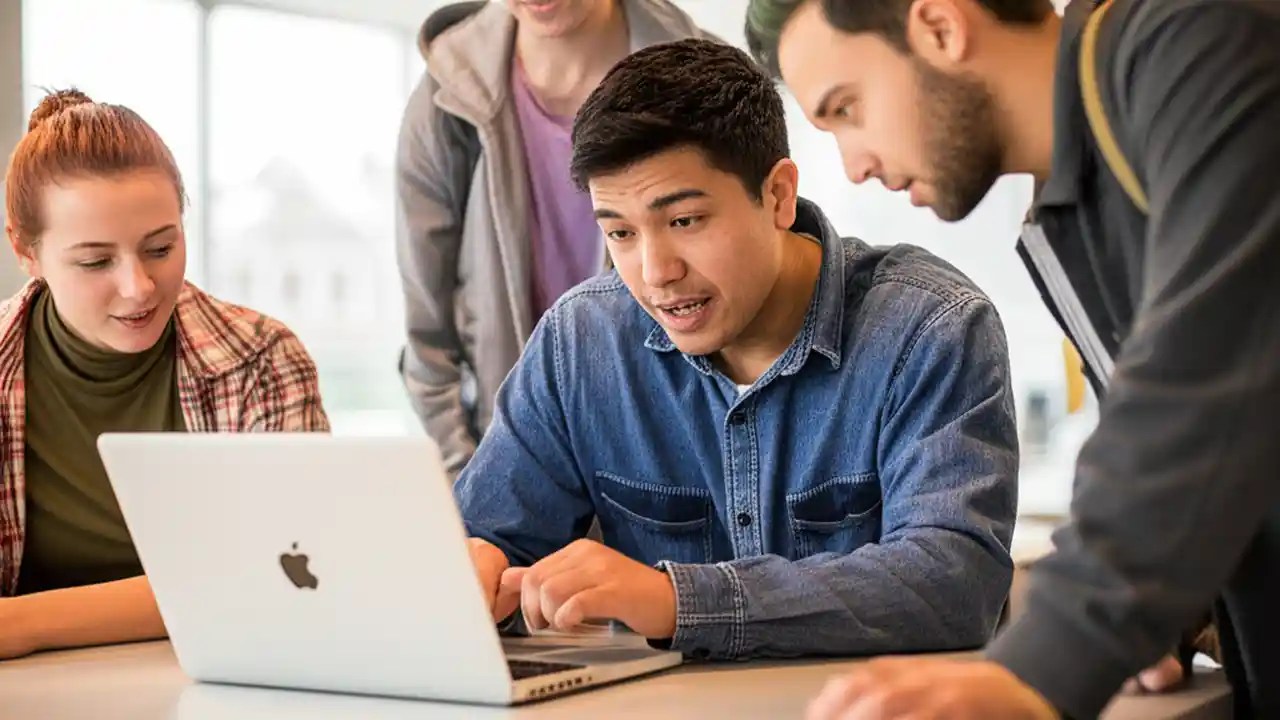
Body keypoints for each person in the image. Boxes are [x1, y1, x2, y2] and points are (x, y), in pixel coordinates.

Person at [745, 0, 1280, 716]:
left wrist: (1042, 666)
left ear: (940, 26)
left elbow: (1200, 384)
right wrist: (1172, 600)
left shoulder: (1191, 39)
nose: (855, 164)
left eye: (848, 109)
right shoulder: (1070, 208)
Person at [457, 38, 1019, 660]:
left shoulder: (929, 329)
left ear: (777, 195)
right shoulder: (581, 343)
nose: (655, 272)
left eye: (684, 221)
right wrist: (472, 572)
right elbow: (487, 542)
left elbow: (954, 582)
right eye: (619, 232)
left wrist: (679, 601)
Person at [0, 90, 329, 660]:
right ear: (26, 251)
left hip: (224, 678)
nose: (139, 288)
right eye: (95, 261)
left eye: (160, 247)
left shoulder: (263, 359)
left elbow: (284, 574)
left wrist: (22, 624)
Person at [396, 0, 713, 480]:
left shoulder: (709, 81)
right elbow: (428, 342)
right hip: (504, 469)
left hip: (675, 476)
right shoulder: (446, 97)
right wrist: (475, 483)